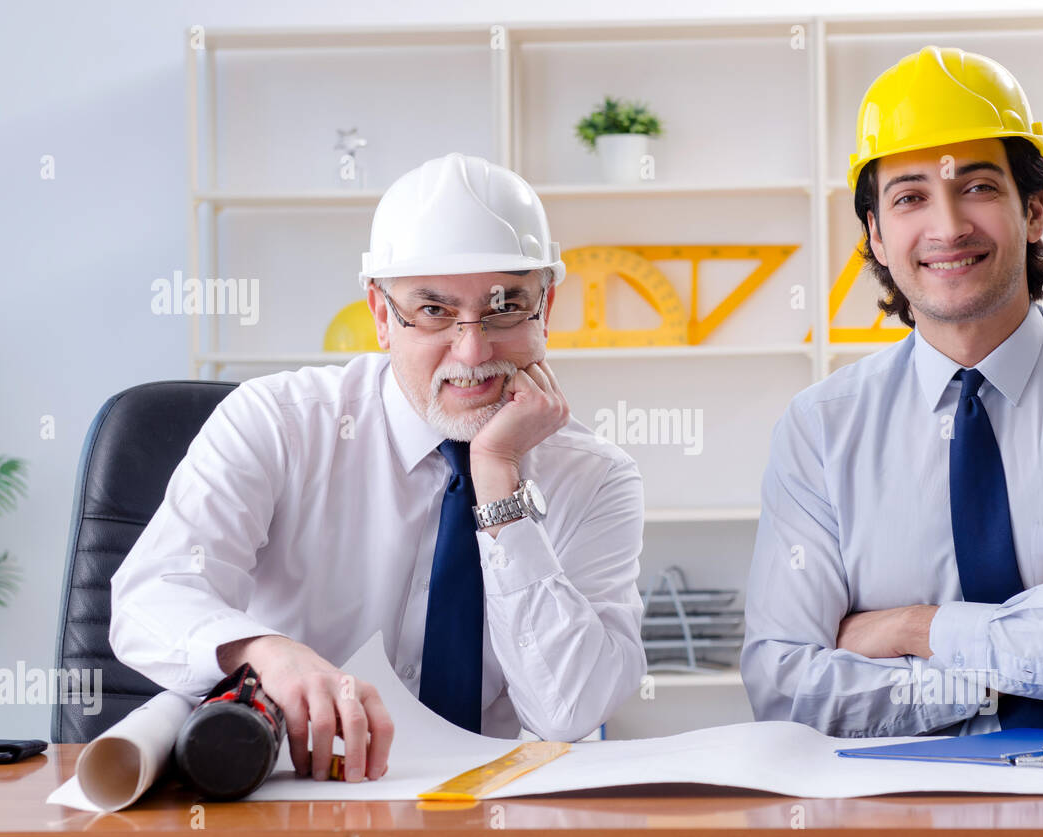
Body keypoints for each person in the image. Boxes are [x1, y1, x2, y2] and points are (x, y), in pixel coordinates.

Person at [111, 153, 648, 781]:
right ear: (380, 314)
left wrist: (498, 474)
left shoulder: (596, 477)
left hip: (476, 814)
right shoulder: (279, 423)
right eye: (432, 311)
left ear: (545, 309)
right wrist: (262, 649)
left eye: (504, 308)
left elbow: (567, 711)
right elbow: (151, 595)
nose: (472, 351)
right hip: (287, 796)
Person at [742, 47, 1043, 738]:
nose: (948, 227)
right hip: (898, 810)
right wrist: (1037, 621)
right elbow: (786, 692)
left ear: (1032, 212)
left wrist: (911, 628)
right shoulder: (821, 429)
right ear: (876, 236)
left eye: (977, 188)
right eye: (910, 197)